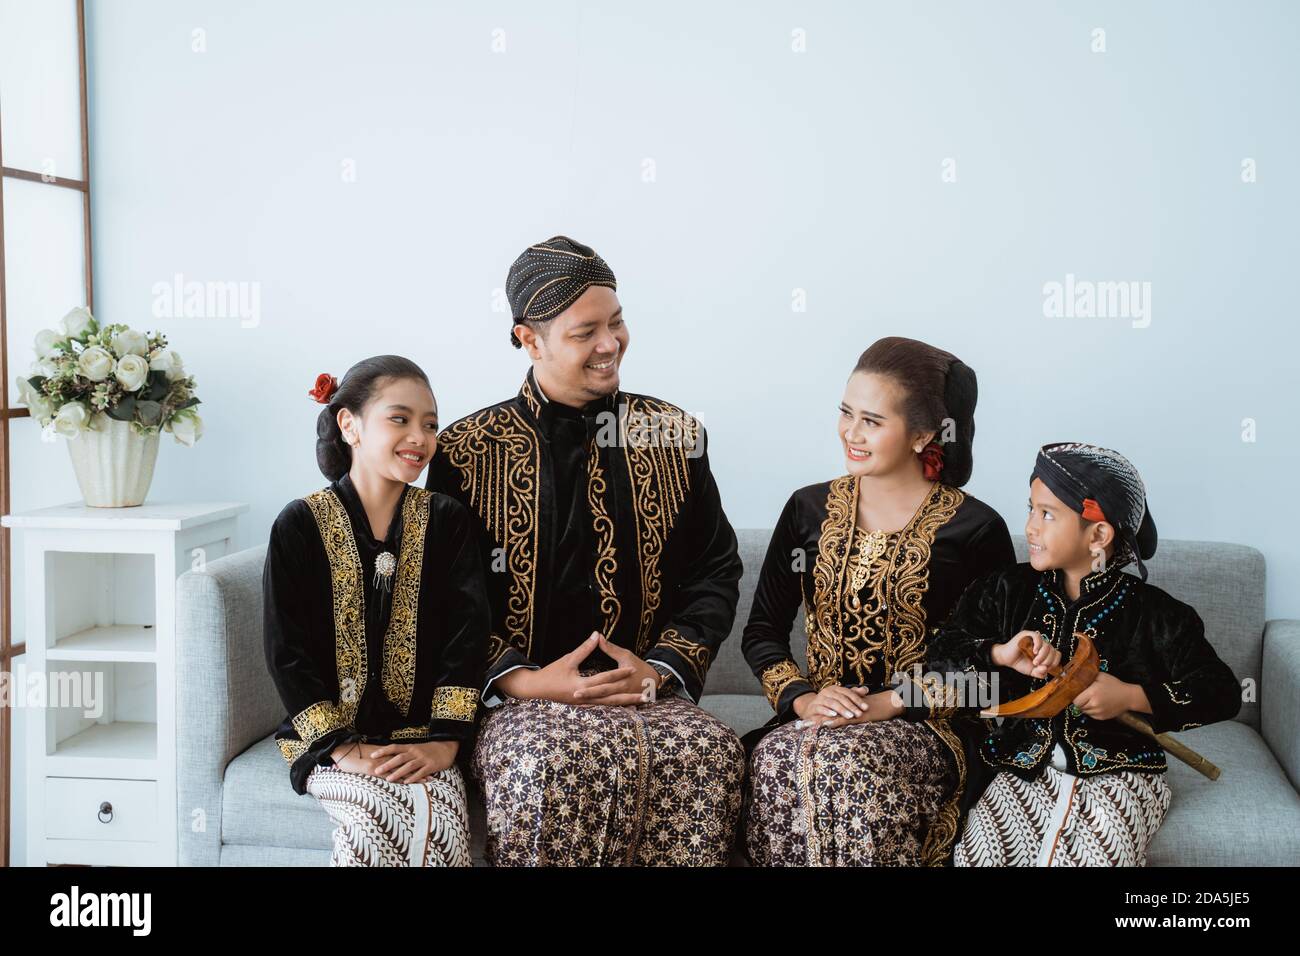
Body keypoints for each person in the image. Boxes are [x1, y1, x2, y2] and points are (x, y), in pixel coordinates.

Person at [428, 236, 745, 865]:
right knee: (550, 769)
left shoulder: (673, 433)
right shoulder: (466, 450)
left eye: (618, 321)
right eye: (586, 332)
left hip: (648, 690)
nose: (611, 344)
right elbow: (446, 596)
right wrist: (522, 679)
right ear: (529, 338)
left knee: (709, 754)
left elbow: (715, 568)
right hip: (525, 704)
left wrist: (660, 666)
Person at [742, 336, 1015, 866]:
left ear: (923, 435)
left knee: (845, 770)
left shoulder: (975, 530)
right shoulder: (807, 509)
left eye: (872, 421)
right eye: (846, 413)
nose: (851, 433)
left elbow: (995, 671)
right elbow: (762, 632)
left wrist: (886, 704)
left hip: (928, 729)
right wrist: (802, 699)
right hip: (816, 721)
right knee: (785, 760)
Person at [909, 442, 1241, 866]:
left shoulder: (1157, 614)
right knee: (981, 857)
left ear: (1098, 534)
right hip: (1021, 767)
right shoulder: (1006, 591)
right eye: (1030, 508)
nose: (1030, 527)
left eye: (1047, 514)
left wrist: (1131, 696)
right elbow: (939, 658)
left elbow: (1222, 692)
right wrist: (997, 653)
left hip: (1121, 774)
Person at [264, 356, 488, 866]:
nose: (420, 437)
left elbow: (467, 637)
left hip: (424, 738)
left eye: (430, 424)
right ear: (350, 425)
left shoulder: (447, 520)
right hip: (329, 739)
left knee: (441, 823)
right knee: (369, 818)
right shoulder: (298, 525)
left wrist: (446, 743)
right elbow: (286, 649)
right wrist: (343, 750)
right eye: (400, 418)